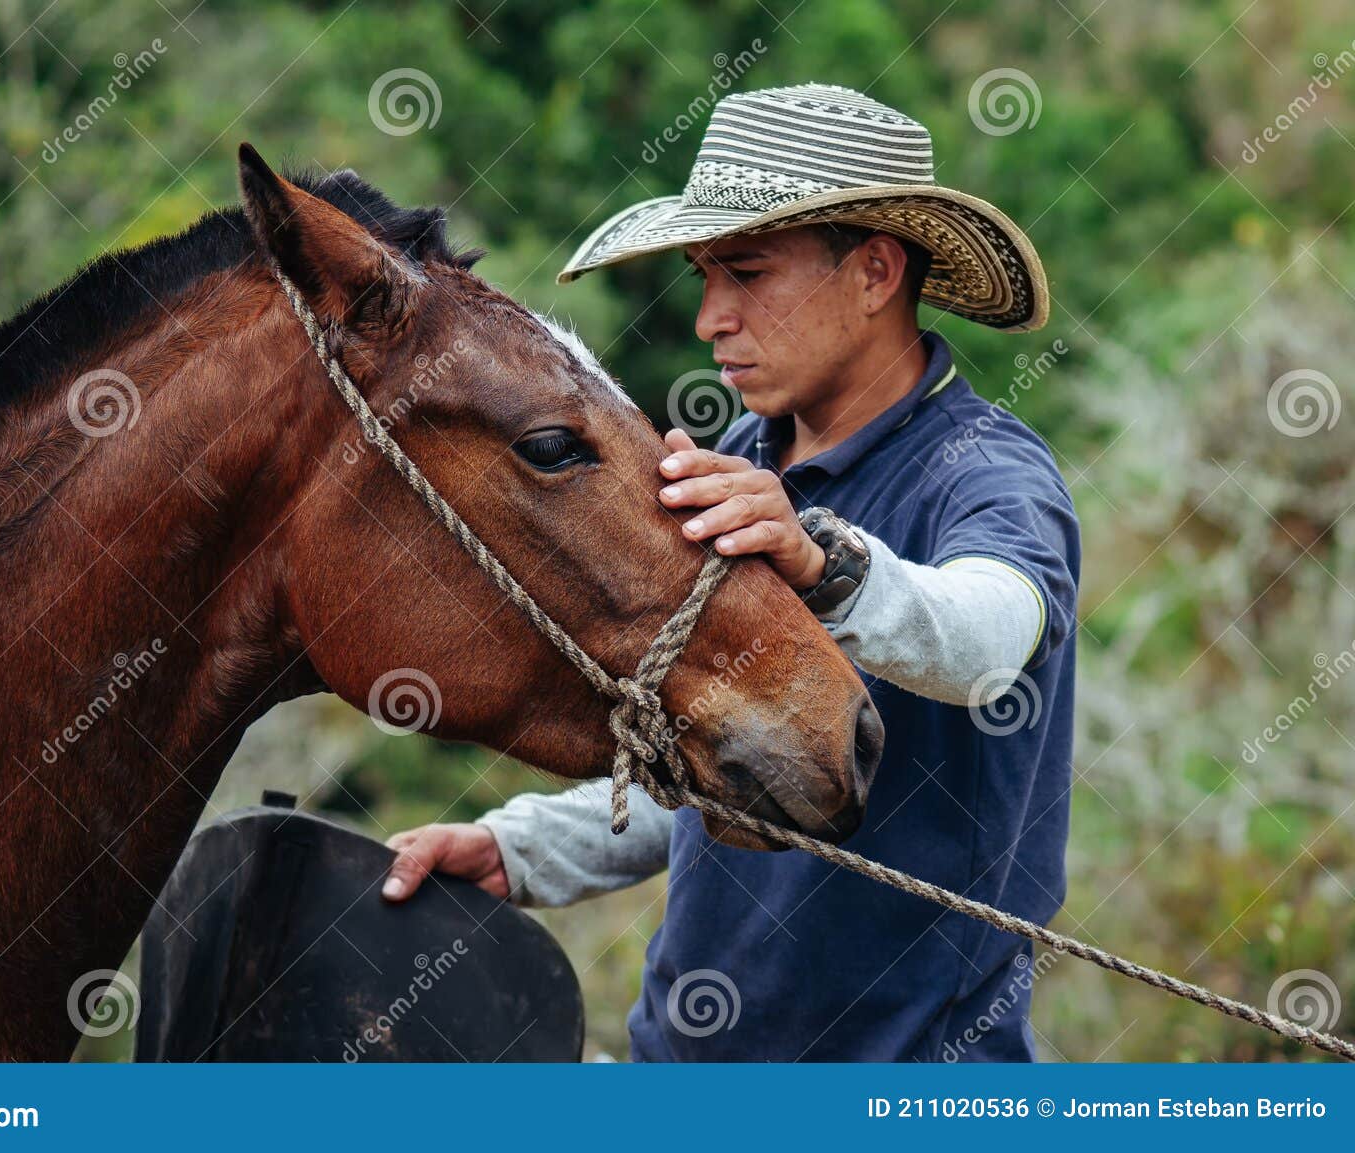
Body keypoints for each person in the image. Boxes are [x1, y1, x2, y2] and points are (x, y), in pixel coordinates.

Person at [382, 83, 1079, 1061]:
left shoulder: (987, 473)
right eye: (705, 276)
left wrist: (820, 561)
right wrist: (516, 847)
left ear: (875, 272)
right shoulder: (736, 463)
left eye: (746, 273)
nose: (711, 318)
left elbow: (991, 639)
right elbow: (720, 761)